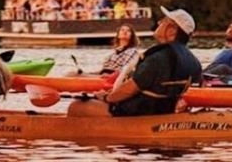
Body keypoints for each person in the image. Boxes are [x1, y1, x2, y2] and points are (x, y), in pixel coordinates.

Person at [70, 7, 202, 117]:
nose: (159, 22)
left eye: (163, 21)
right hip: (163, 112)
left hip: (135, 113)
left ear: (172, 30)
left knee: (76, 106)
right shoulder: (194, 61)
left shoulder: (158, 58)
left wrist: (106, 98)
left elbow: (130, 88)